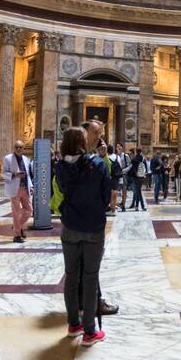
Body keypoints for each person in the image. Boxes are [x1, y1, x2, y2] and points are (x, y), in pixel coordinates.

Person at [55, 127, 111, 346]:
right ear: (82, 141)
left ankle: (73, 324)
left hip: (70, 226)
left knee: (71, 276)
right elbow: (107, 195)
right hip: (93, 228)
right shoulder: (97, 164)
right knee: (90, 278)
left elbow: (60, 190)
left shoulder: (60, 167)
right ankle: (89, 332)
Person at [81, 120, 120, 318]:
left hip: (75, 220)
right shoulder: (90, 159)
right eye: (96, 133)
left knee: (79, 266)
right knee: (91, 265)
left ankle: (80, 303)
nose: (100, 138)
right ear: (84, 134)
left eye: (101, 133)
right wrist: (103, 158)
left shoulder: (69, 159)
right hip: (89, 220)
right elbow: (106, 185)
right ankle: (95, 302)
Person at [3, 140, 34, 244]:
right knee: (16, 212)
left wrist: (31, 186)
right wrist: (15, 175)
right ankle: (17, 235)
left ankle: (18, 226)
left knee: (29, 210)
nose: (19, 149)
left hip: (25, 188)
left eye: (21, 147)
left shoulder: (26, 159)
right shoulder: (7, 158)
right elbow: (3, 174)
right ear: (14, 148)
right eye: (17, 147)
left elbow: (28, 174)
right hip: (14, 188)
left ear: (24, 148)